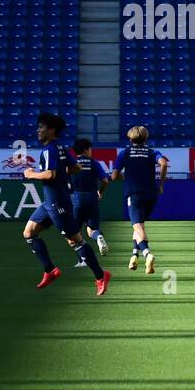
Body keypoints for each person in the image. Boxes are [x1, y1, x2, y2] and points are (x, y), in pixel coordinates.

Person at [21, 113, 111, 295]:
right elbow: (76, 167)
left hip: (58, 203)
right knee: (29, 232)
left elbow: (49, 174)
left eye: (41, 127)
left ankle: (101, 276)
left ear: (51, 130)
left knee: (75, 241)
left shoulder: (48, 150)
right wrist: (64, 175)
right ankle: (50, 270)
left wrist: (30, 174)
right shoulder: (60, 147)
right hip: (50, 202)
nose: (38, 130)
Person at [111, 125, 168, 275]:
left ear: (130, 138)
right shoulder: (152, 152)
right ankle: (134, 255)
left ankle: (147, 254)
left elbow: (114, 176)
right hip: (151, 194)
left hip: (134, 194)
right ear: (146, 138)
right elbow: (163, 164)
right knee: (139, 225)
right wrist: (161, 184)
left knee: (138, 227)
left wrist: (127, 177)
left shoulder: (125, 153)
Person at [69, 137, 110, 264]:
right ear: (86, 150)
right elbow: (105, 181)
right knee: (92, 229)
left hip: (75, 198)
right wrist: (100, 192)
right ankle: (98, 237)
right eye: (90, 148)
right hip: (92, 198)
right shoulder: (94, 162)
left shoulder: (72, 163)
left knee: (74, 233)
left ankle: (82, 260)